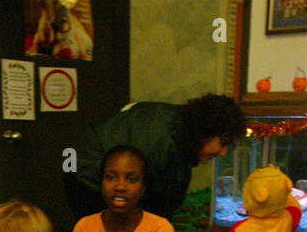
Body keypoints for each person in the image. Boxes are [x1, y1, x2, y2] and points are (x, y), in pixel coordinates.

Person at [65, 94, 246, 223]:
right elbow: (159, 210)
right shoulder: (166, 144)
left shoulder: (177, 123)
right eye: (223, 143)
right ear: (206, 132)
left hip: (78, 165)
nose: (223, 153)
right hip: (86, 178)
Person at [70, 145, 176, 232]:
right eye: (111, 177)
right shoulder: (85, 227)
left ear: (143, 187)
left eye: (132, 179)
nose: (120, 187)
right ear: (101, 182)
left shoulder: (159, 229)